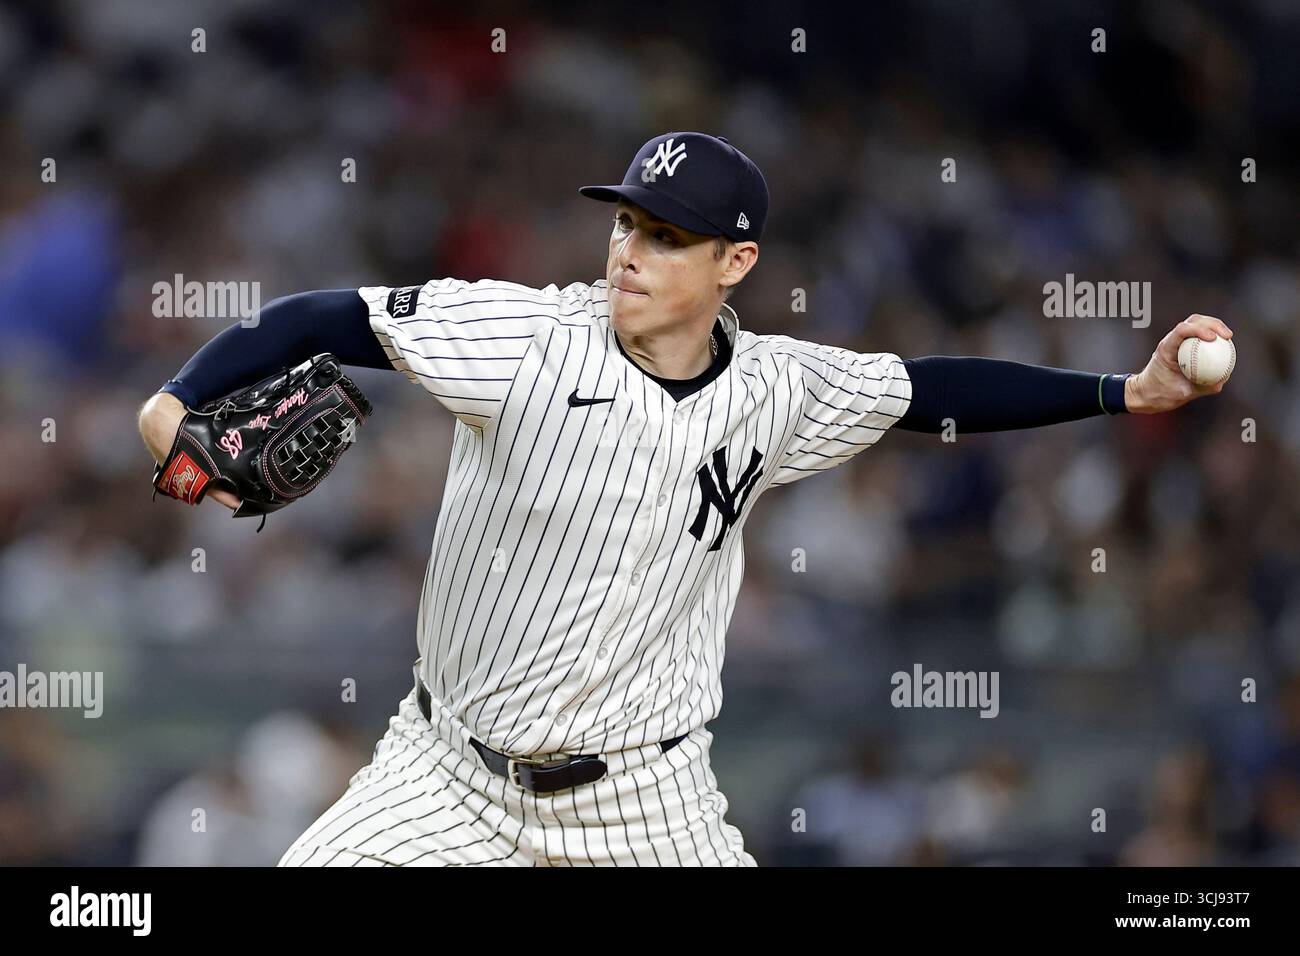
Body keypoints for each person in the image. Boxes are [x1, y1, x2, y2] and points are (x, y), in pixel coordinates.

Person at [138, 131, 1233, 866]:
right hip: (445, 778)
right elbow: (319, 316)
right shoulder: (522, 337)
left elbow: (929, 388)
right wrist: (174, 404)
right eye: (624, 223)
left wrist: (1117, 391)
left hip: (646, 805)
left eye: (663, 236)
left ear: (735, 261)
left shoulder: (778, 387)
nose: (626, 250)